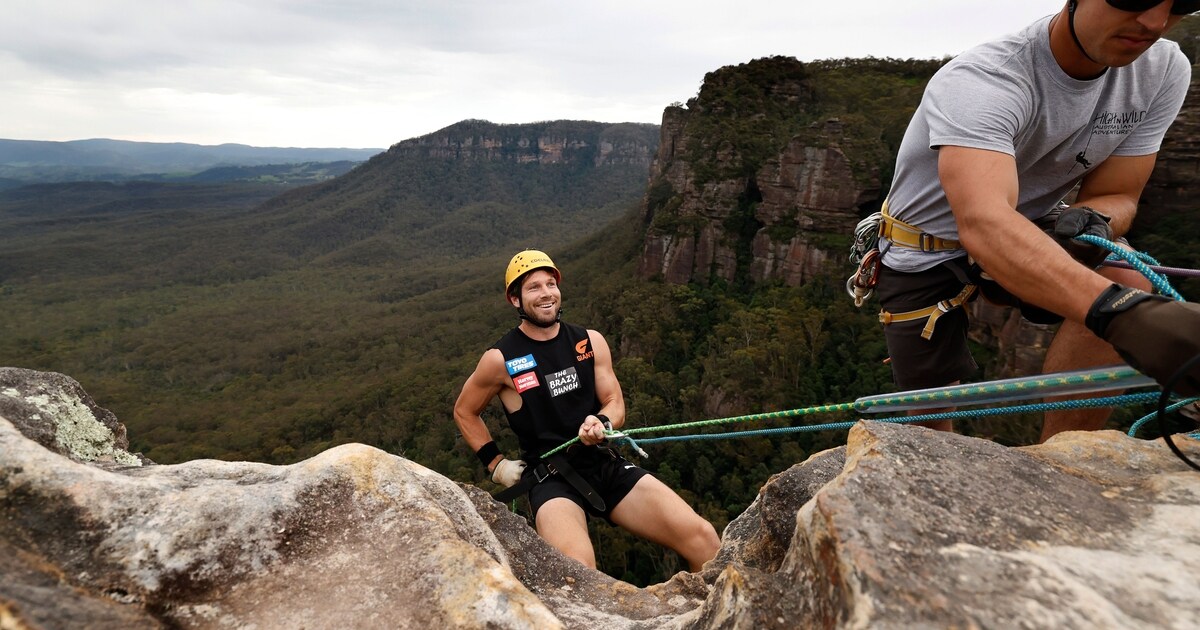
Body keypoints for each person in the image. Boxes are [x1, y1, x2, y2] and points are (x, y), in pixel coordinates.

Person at [874, 0, 1200, 442]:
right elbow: (985, 221)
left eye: (1183, 3)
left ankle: (1065, 458)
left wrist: (1096, 220)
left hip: (1038, 220)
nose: (1155, 23)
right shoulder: (984, 80)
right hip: (925, 245)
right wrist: (1123, 316)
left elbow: (1120, 194)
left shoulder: (1161, 69)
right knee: (929, 406)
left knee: (1128, 275)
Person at [453, 250, 720, 571]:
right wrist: (496, 465)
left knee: (704, 539)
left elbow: (615, 403)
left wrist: (602, 421)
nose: (546, 293)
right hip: (551, 479)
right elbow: (465, 411)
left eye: (550, 284)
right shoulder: (501, 359)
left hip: (603, 463)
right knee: (579, 571)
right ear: (515, 300)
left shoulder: (589, 341)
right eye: (533, 287)